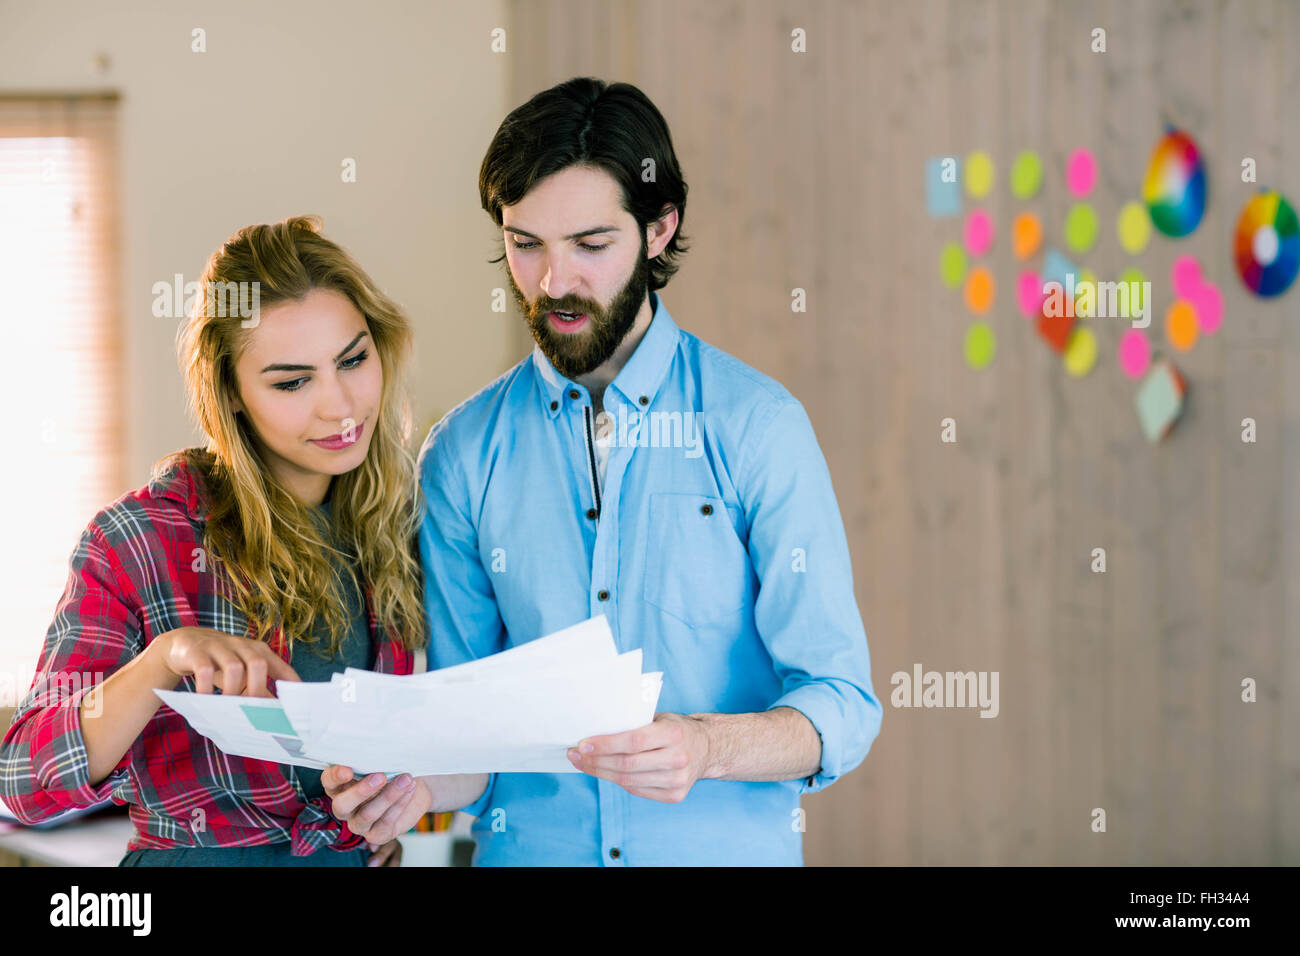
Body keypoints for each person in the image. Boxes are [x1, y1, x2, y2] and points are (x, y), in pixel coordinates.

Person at [325, 77, 884, 866]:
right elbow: (472, 735)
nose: (554, 282)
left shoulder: (757, 427)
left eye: (590, 245)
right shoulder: (459, 456)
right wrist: (414, 787)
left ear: (659, 230)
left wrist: (705, 746)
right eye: (526, 245)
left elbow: (842, 707)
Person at [0, 215, 435, 866]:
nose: (340, 405)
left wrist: (383, 814)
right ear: (230, 392)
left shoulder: (398, 526)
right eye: (292, 381)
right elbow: (22, 783)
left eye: (353, 359)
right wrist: (163, 659)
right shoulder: (140, 539)